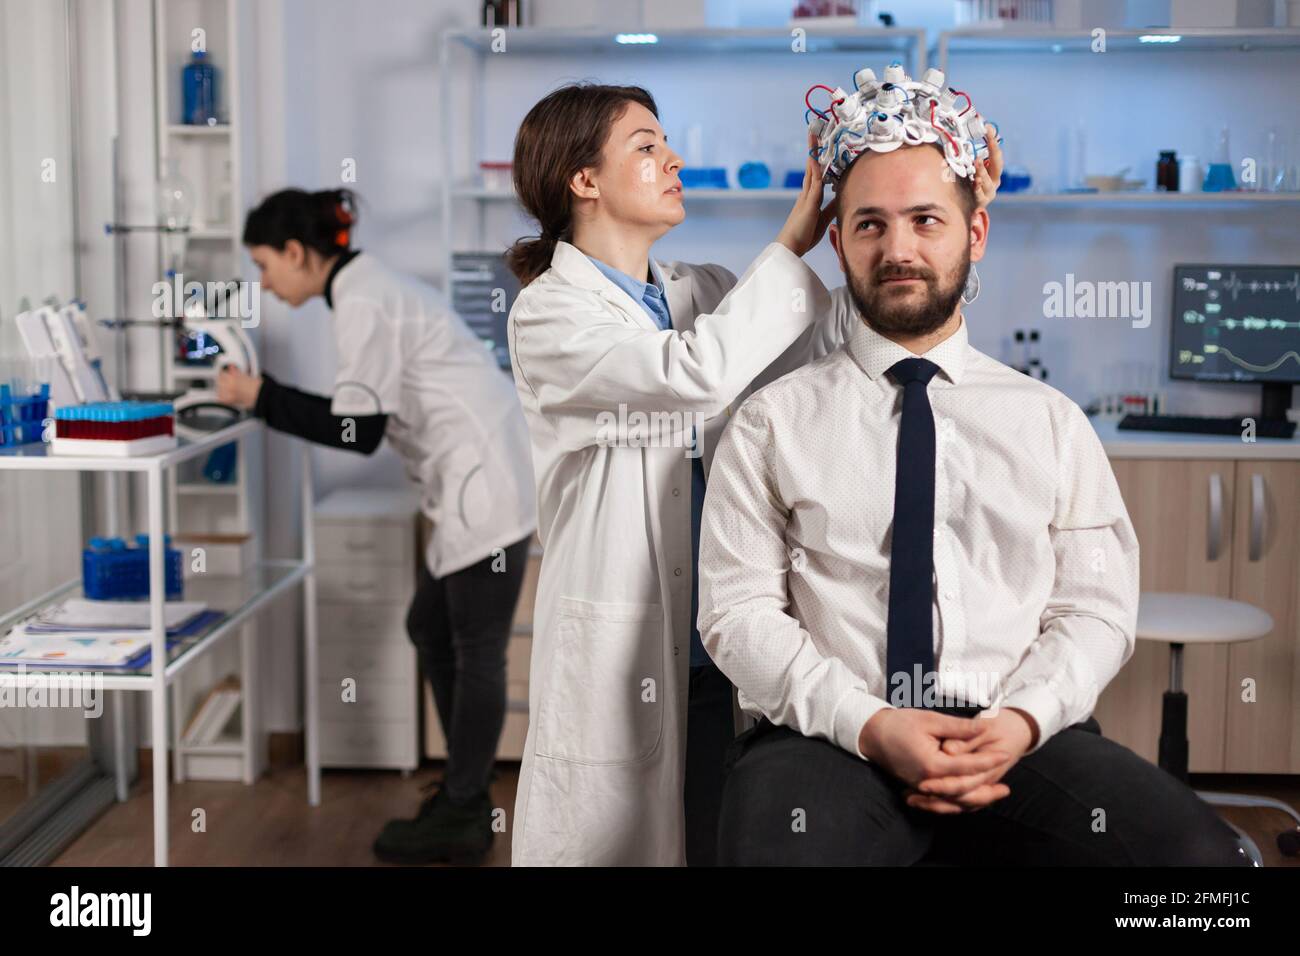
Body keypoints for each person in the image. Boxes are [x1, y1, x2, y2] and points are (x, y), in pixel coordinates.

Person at [697, 139, 1251, 867]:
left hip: (1014, 728)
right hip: (827, 734)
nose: (898, 248)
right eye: (870, 224)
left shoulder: (1049, 421)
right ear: (838, 243)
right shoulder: (771, 421)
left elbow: (1094, 606)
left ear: (976, 233)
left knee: (1203, 874)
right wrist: (869, 724)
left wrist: (1023, 719)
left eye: (926, 219)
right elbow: (736, 615)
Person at [504, 82, 1005, 865]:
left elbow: (833, 339)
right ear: (583, 179)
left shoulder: (699, 290)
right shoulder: (548, 316)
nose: (673, 159)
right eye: (646, 147)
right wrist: (797, 237)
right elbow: (694, 375)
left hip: (723, 640)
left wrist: (906, 216)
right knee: (612, 841)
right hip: (626, 644)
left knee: (711, 833)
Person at [216, 188, 537, 865]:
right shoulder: (362, 288)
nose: (265, 285)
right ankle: (463, 794)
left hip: (487, 480)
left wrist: (259, 397)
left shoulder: (362, 298)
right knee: (430, 627)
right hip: (473, 476)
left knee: (476, 649)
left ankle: (465, 809)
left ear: (298, 253)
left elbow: (354, 430)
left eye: (265, 266)